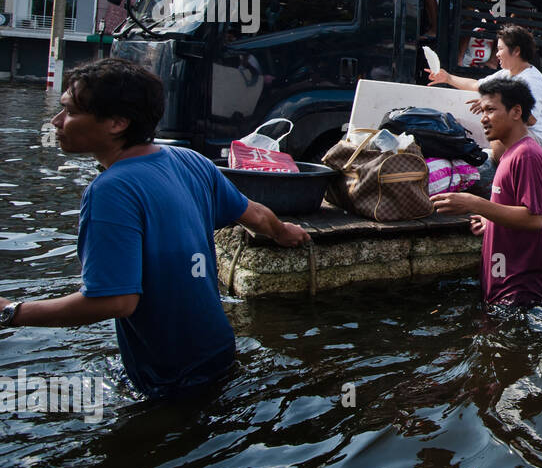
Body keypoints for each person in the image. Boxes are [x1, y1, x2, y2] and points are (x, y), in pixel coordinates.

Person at [0, 60, 310, 399]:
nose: (56, 123)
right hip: (220, 351)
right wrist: (283, 233)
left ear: (117, 123)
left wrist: (12, 313)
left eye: (70, 112)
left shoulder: (110, 190)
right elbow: (255, 214)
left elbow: (116, 301)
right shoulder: (189, 160)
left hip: (170, 378)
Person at [431, 77, 542, 306]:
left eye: (490, 110)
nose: (483, 118)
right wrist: (491, 222)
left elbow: (536, 219)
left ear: (516, 112)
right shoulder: (511, 154)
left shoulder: (526, 155)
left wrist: (474, 203)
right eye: (482, 110)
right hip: (502, 282)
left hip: (517, 289)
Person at [427, 23, 542, 158]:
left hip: (537, 142)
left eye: (500, 49)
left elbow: (530, 119)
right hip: (510, 137)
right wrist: (447, 78)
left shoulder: (532, 80)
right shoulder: (504, 74)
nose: (497, 54)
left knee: (499, 133)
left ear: (516, 51)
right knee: (455, 127)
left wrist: (495, 104)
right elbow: (476, 85)